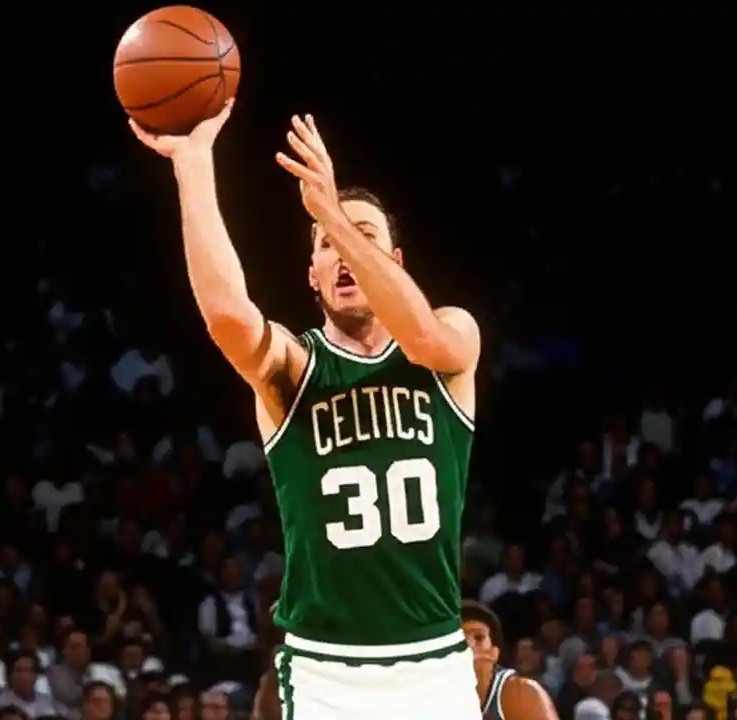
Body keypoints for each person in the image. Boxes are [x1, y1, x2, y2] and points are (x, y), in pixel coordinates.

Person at [131, 103, 481, 718]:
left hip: (436, 662)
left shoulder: (449, 340)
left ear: (394, 263)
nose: (344, 251)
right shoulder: (297, 369)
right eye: (326, 244)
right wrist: (192, 166)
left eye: (365, 236)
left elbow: (422, 336)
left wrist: (331, 215)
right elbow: (228, 317)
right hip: (327, 670)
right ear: (312, 277)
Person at [461, 600, 558, 720]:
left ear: (494, 653)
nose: (469, 646)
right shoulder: (435, 692)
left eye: (478, 638)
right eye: (460, 638)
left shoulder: (521, 693)